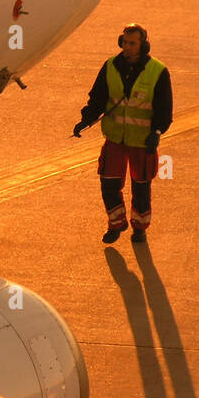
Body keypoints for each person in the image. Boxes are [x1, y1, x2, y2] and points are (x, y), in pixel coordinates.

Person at [72, 24, 172, 243]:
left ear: (143, 45)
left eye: (132, 43)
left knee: (141, 188)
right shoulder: (110, 67)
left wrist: (156, 132)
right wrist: (85, 120)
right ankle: (116, 224)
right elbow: (97, 98)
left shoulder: (158, 71)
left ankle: (140, 228)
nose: (127, 47)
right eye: (125, 43)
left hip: (142, 140)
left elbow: (165, 108)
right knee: (108, 183)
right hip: (115, 138)